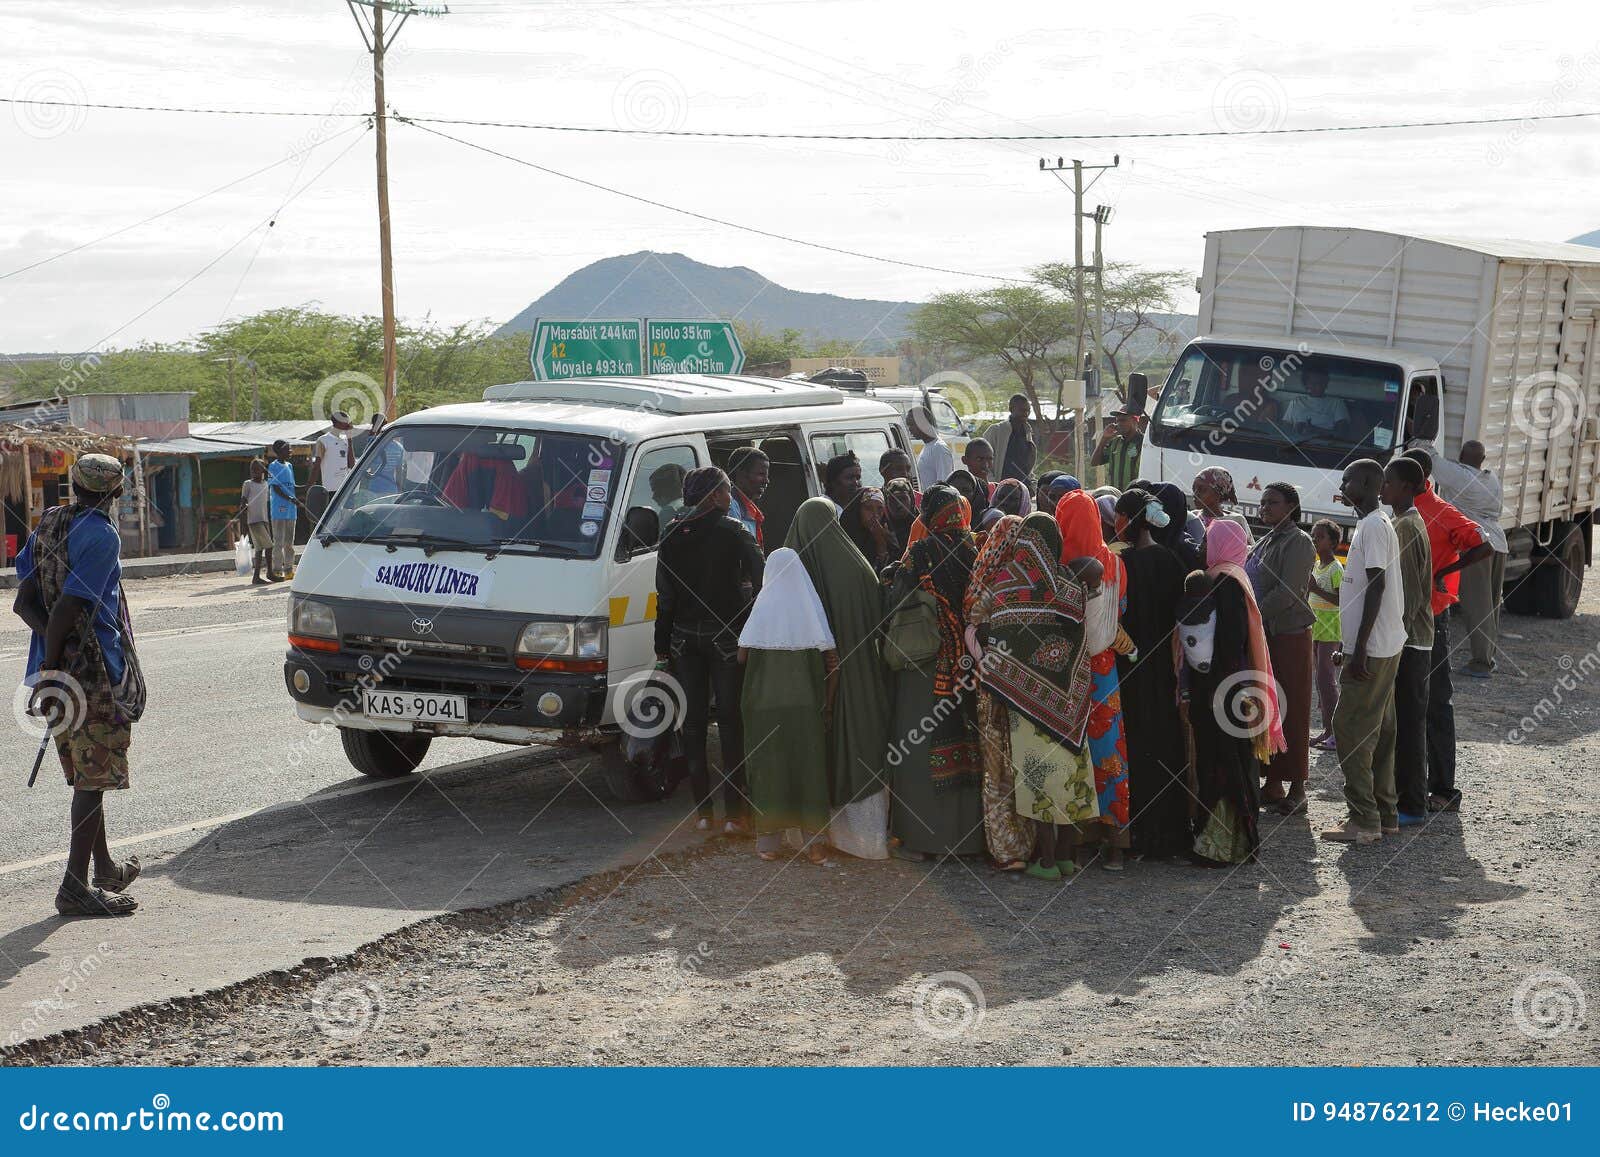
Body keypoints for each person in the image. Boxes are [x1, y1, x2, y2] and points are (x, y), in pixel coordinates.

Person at [13, 454, 147, 916]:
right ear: (114, 492)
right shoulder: (101, 535)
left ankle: (104, 868)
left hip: (55, 671)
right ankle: (73, 888)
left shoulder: (48, 524)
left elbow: (24, 604)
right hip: (89, 675)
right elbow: (71, 608)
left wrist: (47, 664)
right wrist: (55, 670)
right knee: (92, 781)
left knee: (88, 774)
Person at [965, 512, 1097, 879]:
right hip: (1070, 702)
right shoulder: (1070, 581)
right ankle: (1070, 858)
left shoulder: (1006, 584)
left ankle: (1047, 861)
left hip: (1025, 703)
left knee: (1038, 778)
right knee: (1069, 776)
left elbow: (990, 635)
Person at [654, 467, 765, 834]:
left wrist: (662, 647)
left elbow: (665, 598)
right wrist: (749, 620)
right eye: (727, 490)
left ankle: (703, 813)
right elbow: (763, 577)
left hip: (683, 639)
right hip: (727, 636)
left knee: (694, 724)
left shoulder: (670, 534)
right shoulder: (734, 531)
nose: (730, 496)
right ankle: (735, 815)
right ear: (715, 495)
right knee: (732, 722)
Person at [786, 498, 893, 860]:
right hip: (864, 676)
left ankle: (820, 835)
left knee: (821, 750)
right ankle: (864, 838)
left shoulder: (797, 571)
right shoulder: (857, 564)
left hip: (817, 679)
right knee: (862, 742)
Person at [884, 484, 984, 860]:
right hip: (970, 667)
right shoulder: (977, 550)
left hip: (926, 664)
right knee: (967, 743)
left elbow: (898, 601)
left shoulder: (921, 552)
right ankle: (969, 840)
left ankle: (926, 841)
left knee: (919, 746)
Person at [1400, 447, 1492, 814]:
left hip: (1432, 617)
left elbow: (1482, 544)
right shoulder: (1403, 510)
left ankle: (1443, 788)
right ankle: (1411, 784)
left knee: (1435, 700)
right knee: (1408, 700)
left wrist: (1441, 574)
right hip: (1405, 615)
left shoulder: (1439, 510)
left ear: (1415, 479)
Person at [1321, 460, 1406, 845]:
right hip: (1380, 643)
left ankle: (1364, 820)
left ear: (1369, 483)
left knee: (1351, 727)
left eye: (1348, 479)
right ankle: (1385, 814)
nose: (1342, 484)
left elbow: (1376, 587)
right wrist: (1347, 644)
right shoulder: (1373, 524)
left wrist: (1358, 652)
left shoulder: (1373, 525)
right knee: (1382, 730)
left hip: (1373, 649)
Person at [739, 547, 839, 865]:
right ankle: (815, 845)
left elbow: (741, 655)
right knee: (809, 771)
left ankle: (768, 843)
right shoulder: (811, 609)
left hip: (762, 709)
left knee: (769, 770)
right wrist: (829, 706)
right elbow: (833, 662)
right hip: (805, 707)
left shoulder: (762, 608)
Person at [1055, 489, 1135, 870]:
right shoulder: (1117, 565)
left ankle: (1074, 838)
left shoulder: (1057, 566)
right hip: (1105, 671)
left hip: (1067, 670)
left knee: (1070, 750)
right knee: (1109, 753)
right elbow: (1121, 613)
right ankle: (1116, 843)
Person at [1112, 487, 1192, 859]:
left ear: (1128, 519)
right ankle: (1169, 831)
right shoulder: (1171, 560)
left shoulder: (1121, 564)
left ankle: (1138, 831)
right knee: (1164, 740)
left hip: (1129, 666)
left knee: (1136, 742)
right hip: (1163, 666)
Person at [1175, 567, 1261, 865]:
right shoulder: (1234, 589)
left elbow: (1187, 663)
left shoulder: (1215, 593)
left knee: (1213, 768)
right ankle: (1239, 841)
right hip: (1234, 693)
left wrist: (1187, 693)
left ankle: (1211, 844)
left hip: (1207, 698)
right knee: (1236, 764)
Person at [1248, 481, 1316, 815]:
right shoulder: (1267, 538)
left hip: (1288, 635)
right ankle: (1272, 782)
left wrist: (1253, 616)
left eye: (1272, 503)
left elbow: (1289, 592)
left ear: (1291, 506)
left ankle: (1298, 787)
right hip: (1267, 635)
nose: (1265, 509)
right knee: (1269, 708)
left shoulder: (1299, 542)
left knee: (1295, 709)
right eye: (1262, 503)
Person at [1413, 439, 1505, 677]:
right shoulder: (1491, 479)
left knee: (1477, 606)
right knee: (1491, 604)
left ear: (1461, 455)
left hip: (1476, 546)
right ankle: (1488, 657)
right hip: (1497, 541)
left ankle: (1481, 663)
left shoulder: (1460, 476)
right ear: (1482, 460)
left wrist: (1420, 436)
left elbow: (1429, 459)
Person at [1381, 457, 1435, 828]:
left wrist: (1392, 639)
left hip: (1410, 641)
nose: (1381, 488)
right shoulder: (1404, 522)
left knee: (1408, 724)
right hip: (1410, 638)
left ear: (1404, 487)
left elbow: (1410, 596)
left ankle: (1412, 803)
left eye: (1387, 482)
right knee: (1404, 721)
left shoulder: (1404, 527)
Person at [1307, 519, 1344, 751]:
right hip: (1316, 628)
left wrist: (1316, 589)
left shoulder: (1336, 569)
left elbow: (1342, 600)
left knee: (1326, 681)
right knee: (1321, 683)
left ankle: (1336, 733)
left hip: (1330, 630)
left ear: (1332, 542)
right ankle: (1327, 731)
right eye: (1313, 535)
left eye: (1319, 537)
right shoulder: (1317, 566)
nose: (1314, 540)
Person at [983, 394, 1036, 484]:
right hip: (999, 488)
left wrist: (1032, 484)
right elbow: (983, 463)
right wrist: (993, 485)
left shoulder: (1027, 433)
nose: (1026, 414)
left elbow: (1029, 468)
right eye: (1022, 410)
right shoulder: (996, 430)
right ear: (1011, 409)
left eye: (1028, 411)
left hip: (1021, 489)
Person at [1284, 365, 1351, 437]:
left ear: (1326, 383)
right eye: (1314, 384)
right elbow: (1285, 428)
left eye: (1321, 383)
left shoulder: (1337, 403)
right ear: (1306, 385)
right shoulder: (1296, 402)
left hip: (1326, 445)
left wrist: (1316, 430)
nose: (1318, 387)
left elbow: (1342, 433)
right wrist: (1296, 429)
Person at [840, 485, 896, 570]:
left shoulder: (888, 537)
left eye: (880, 509)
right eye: (868, 508)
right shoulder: (844, 537)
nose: (875, 515)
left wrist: (881, 544)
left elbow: (892, 574)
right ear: (858, 510)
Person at [235, 459, 272, 586]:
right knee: (269, 546)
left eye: (257, 469)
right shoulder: (248, 484)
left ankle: (257, 576)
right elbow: (243, 502)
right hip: (254, 520)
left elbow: (266, 503)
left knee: (260, 548)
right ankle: (269, 572)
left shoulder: (266, 484)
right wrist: (243, 524)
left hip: (264, 519)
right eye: (252, 469)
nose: (255, 472)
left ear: (263, 470)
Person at [1090, 405, 1143, 491]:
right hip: (1116, 496)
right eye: (1117, 420)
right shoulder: (1115, 443)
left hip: (1136, 496)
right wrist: (1104, 438)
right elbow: (1094, 462)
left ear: (1135, 420)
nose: (1119, 424)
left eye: (1123, 420)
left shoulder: (1144, 443)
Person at [266, 440, 298, 581]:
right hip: (279, 509)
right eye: (288, 449)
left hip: (291, 510)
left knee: (289, 543)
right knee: (278, 542)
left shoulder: (289, 466)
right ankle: (277, 570)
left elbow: (291, 485)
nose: (290, 451)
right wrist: (290, 498)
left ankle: (289, 569)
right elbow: (276, 487)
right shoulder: (273, 466)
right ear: (279, 451)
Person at [727, 446, 769, 549]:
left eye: (767, 476)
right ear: (741, 474)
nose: (766, 481)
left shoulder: (748, 508)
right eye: (761, 474)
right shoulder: (731, 507)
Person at [1192, 466, 1251, 539]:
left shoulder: (1236, 520)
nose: (1195, 494)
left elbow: (1248, 548)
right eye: (1193, 489)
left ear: (1218, 492)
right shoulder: (1192, 517)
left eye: (1202, 489)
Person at [908, 405, 955, 491]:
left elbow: (944, 486)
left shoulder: (939, 448)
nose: (909, 429)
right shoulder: (927, 447)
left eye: (911, 425)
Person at [313, 410, 356, 496]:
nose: (349, 424)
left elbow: (351, 465)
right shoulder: (323, 440)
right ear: (338, 422)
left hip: (344, 487)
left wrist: (350, 440)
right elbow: (317, 465)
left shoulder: (346, 440)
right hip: (329, 488)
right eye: (346, 421)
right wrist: (310, 485)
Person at [882, 478, 919, 558]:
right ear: (886, 503)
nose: (898, 505)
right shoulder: (882, 529)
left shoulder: (923, 525)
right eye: (892, 500)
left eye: (903, 499)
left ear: (912, 500)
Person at [822, 451, 863, 517]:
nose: (856, 483)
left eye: (858, 478)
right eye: (849, 478)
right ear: (833, 481)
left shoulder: (855, 511)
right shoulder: (822, 509)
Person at [960, 438, 997, 503]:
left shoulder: (998, 492)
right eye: (979, 459)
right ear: (965, 460)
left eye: (990, 459)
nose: (986, 464)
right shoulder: (961, 492)